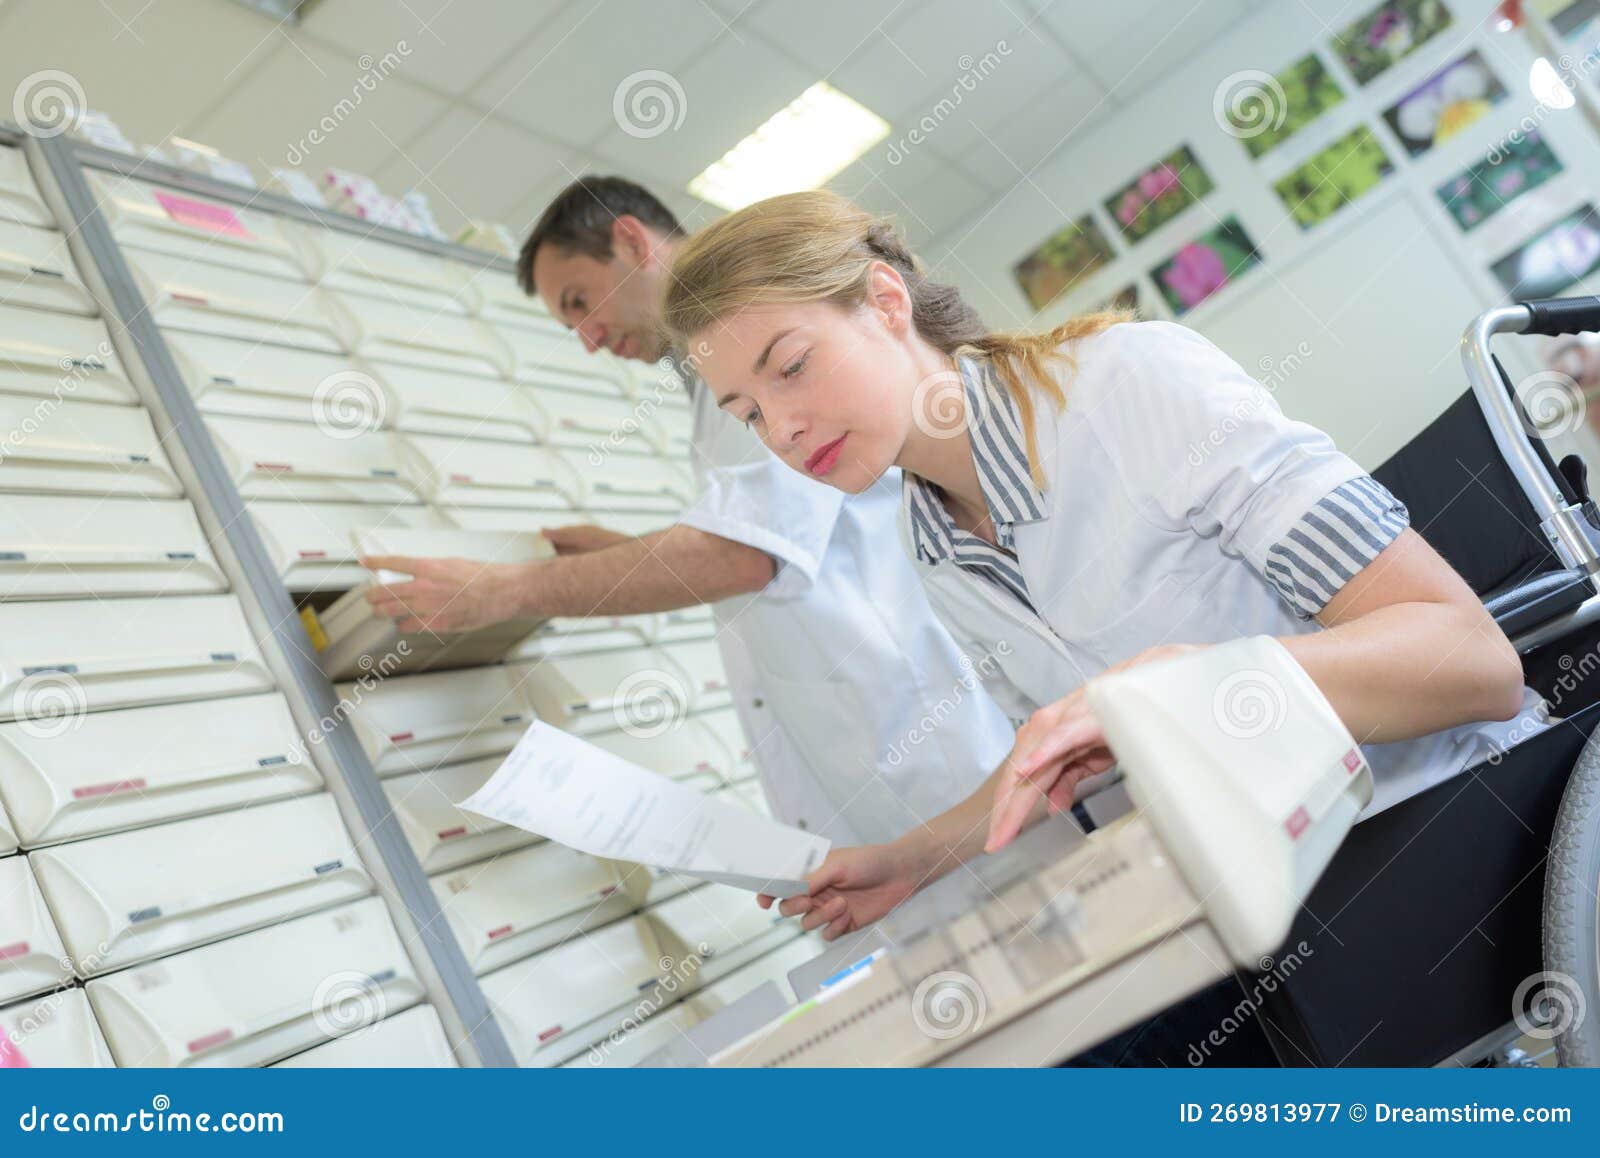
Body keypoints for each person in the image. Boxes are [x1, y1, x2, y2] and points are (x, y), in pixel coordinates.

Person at [658, 190, 1546, 948]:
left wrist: (1196, 683)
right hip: (1276, 894)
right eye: (747, 414)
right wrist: (909, 863)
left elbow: (1470, 659)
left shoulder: (1132, 387)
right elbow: (1070, 750)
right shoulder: (927, 540)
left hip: (1462, 826)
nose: (782, 429)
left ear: (886, 302)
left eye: (792, 368)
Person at [359, 177, 1014, 848]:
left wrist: (502, 591)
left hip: (931, 747)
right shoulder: (717, 386)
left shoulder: (752, 334)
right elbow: (768, 536)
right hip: (881, 756)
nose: (587, 338)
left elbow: (742, 554)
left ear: (631, 240)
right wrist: (626, 551)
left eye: (580, 302)